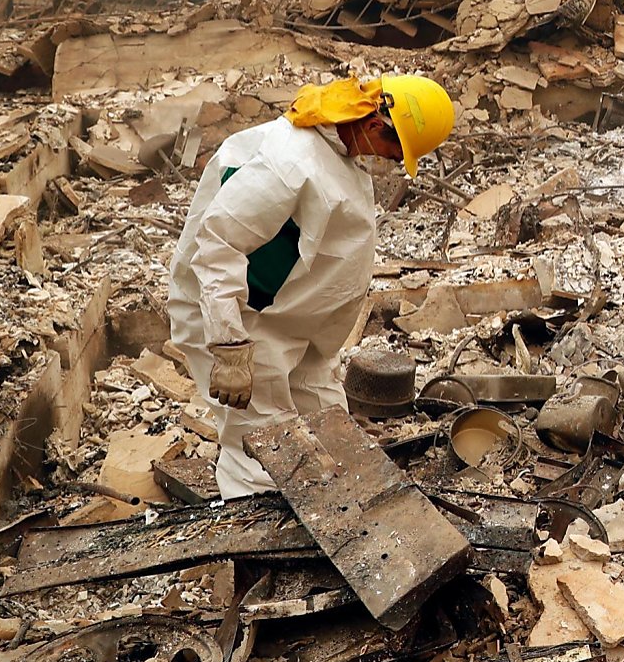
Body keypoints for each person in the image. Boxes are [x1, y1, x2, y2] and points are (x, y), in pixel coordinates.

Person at [167, 74, 455, 498]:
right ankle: (260, 548)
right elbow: (218, 245)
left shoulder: (339, 148)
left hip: (291, 324)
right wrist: (229, 347)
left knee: (334, 440)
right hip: (239, 321)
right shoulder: (289, 162)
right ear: (376, 126)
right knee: (263, 454)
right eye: (397, 153)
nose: (394, 163)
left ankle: (336, 528)